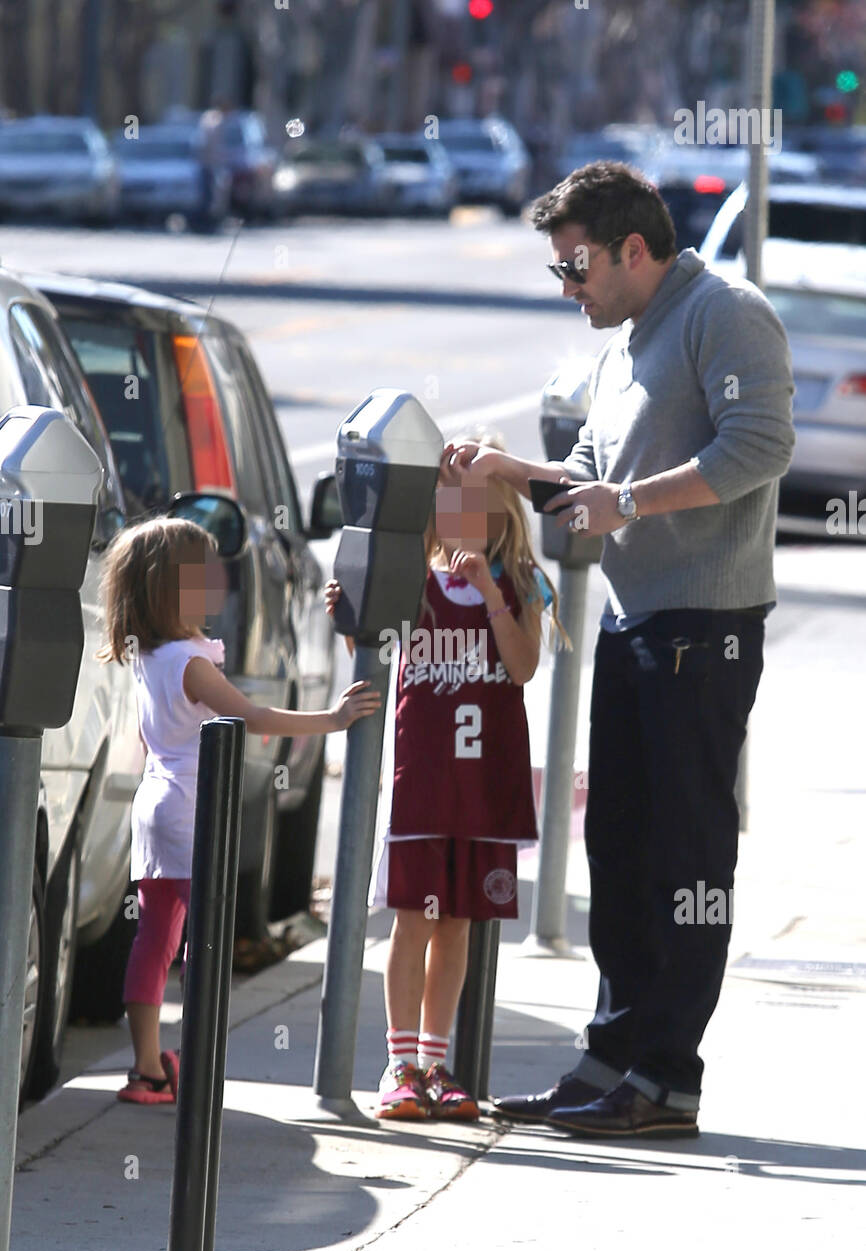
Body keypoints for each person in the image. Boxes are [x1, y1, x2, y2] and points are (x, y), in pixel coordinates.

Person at [442, 161, 795, 1138]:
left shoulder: (723, 312)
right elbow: (588, 482)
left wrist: (630, 502)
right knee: (618, 845)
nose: (569, 287)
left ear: (632, 249)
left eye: (577, 265)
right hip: (633, 622)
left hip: (705, 625)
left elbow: (758, 446)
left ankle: (667, 1078)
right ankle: (611, 1058)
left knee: (685, 857)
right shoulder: (621, 346)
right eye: (560, 269)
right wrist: (510, 470)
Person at [96, 516, 381, 1104]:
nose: (220, 581)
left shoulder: (155, 654)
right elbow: (250, 717)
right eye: (206, 572)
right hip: (193, 808)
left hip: (158, 801)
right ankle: (191, 1060)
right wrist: (331, 720)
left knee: (155, 938)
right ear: (174, 587)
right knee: (204, 941)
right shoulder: (192, 663)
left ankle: (147, 1065)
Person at [325, 458, 567, 1122]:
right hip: (424, 783)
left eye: (479, 509)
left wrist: (491, 593)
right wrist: (351, 620)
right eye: (452, 508)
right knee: (414, 919)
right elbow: (372, 657)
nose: (466, 522)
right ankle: (400, 1063)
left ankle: (436, 1062)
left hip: (485, 785)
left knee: (458, 921)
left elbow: (521, 669)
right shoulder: (413, 583)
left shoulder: (520, 585)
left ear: (501, 518)